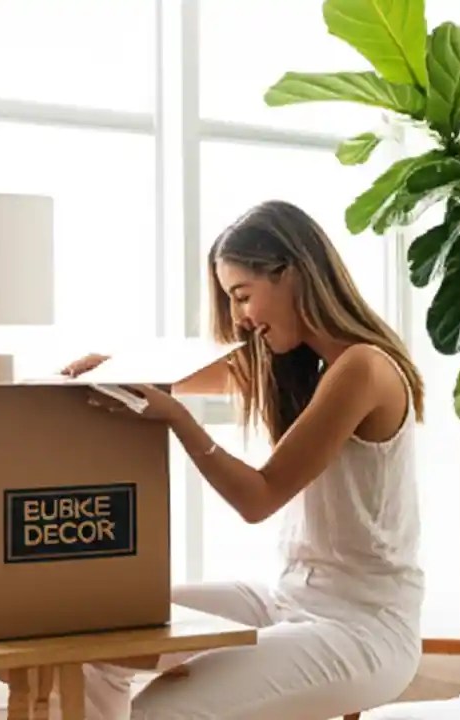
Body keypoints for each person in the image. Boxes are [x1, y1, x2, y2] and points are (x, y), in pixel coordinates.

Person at [61, 199, 426, 720]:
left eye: (242, 296)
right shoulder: (301, 367)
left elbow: (259, 497)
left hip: (363, 626)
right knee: (95, 642)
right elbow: (189, 372)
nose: (239, 319)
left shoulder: (362, 370)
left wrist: (177, 420)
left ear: (292, 275)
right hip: (287, 598)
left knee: (163, 710)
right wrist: (120, 365)